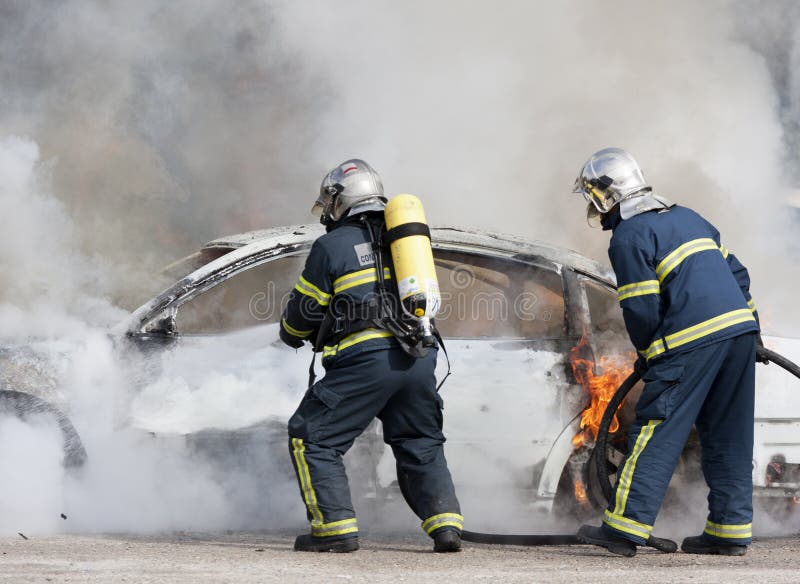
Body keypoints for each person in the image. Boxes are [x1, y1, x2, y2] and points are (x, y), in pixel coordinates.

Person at [571, 148, 761, 557]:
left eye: (594, 198)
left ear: (607, 195)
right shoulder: (690, 217)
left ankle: (624, 528)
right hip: (741, 335)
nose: (595, 209)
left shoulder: (628, 236)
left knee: (656, 430)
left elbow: (640, 306)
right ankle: (729, 531)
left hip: (692, 340)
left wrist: (651, 353)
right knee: (730, 435)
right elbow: (738, 273)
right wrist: (751, 325)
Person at [280, 159, 462, 553]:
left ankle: (334, 531)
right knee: (420, 439)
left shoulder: (331, 245)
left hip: (366, 359)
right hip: (419, 355)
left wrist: (290, 333)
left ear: (339, 201)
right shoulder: (405, 241)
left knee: (311, 437)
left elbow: (303, 315)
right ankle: (446, 527)